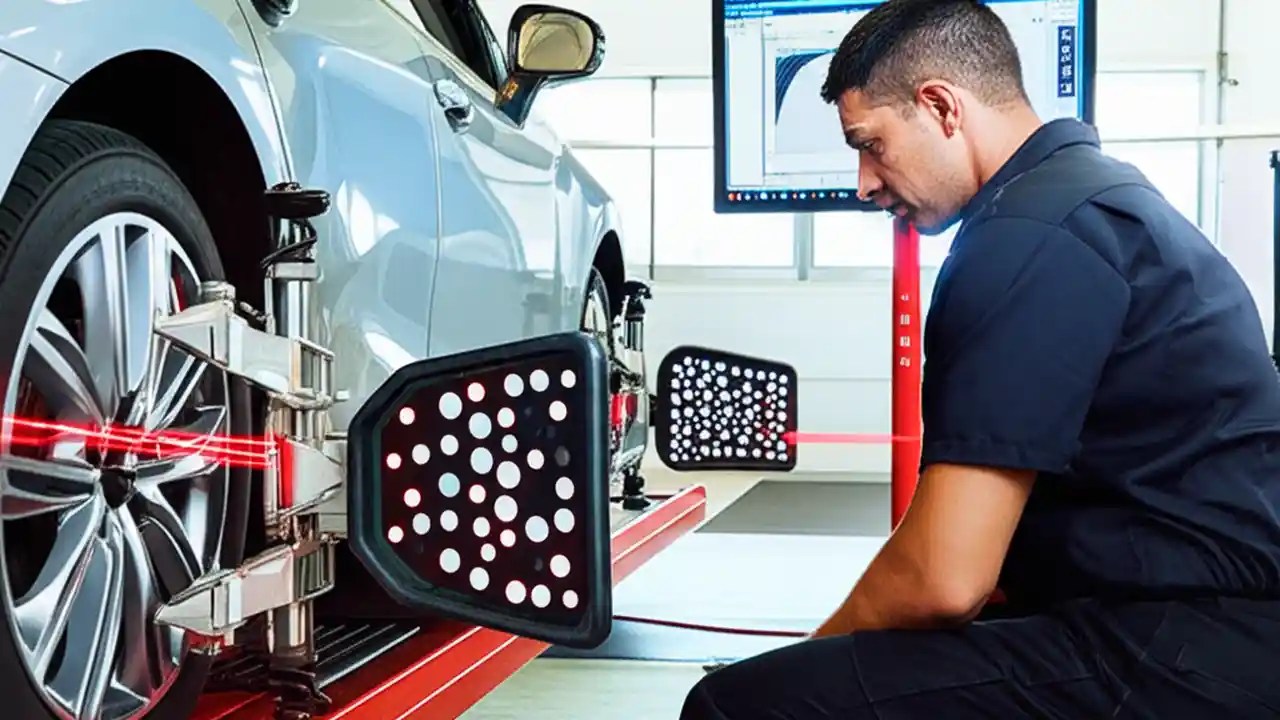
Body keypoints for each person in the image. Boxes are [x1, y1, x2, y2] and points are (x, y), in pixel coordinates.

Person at [680, 0, 1280, 717]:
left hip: (1174, 652)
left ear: (941, 107)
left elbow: (942, 580)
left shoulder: (1025, 236)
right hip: (1212, 631)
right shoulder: (1095, 197)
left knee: (739, 705)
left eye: (871, 144)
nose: (863, 182)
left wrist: (810, 657)